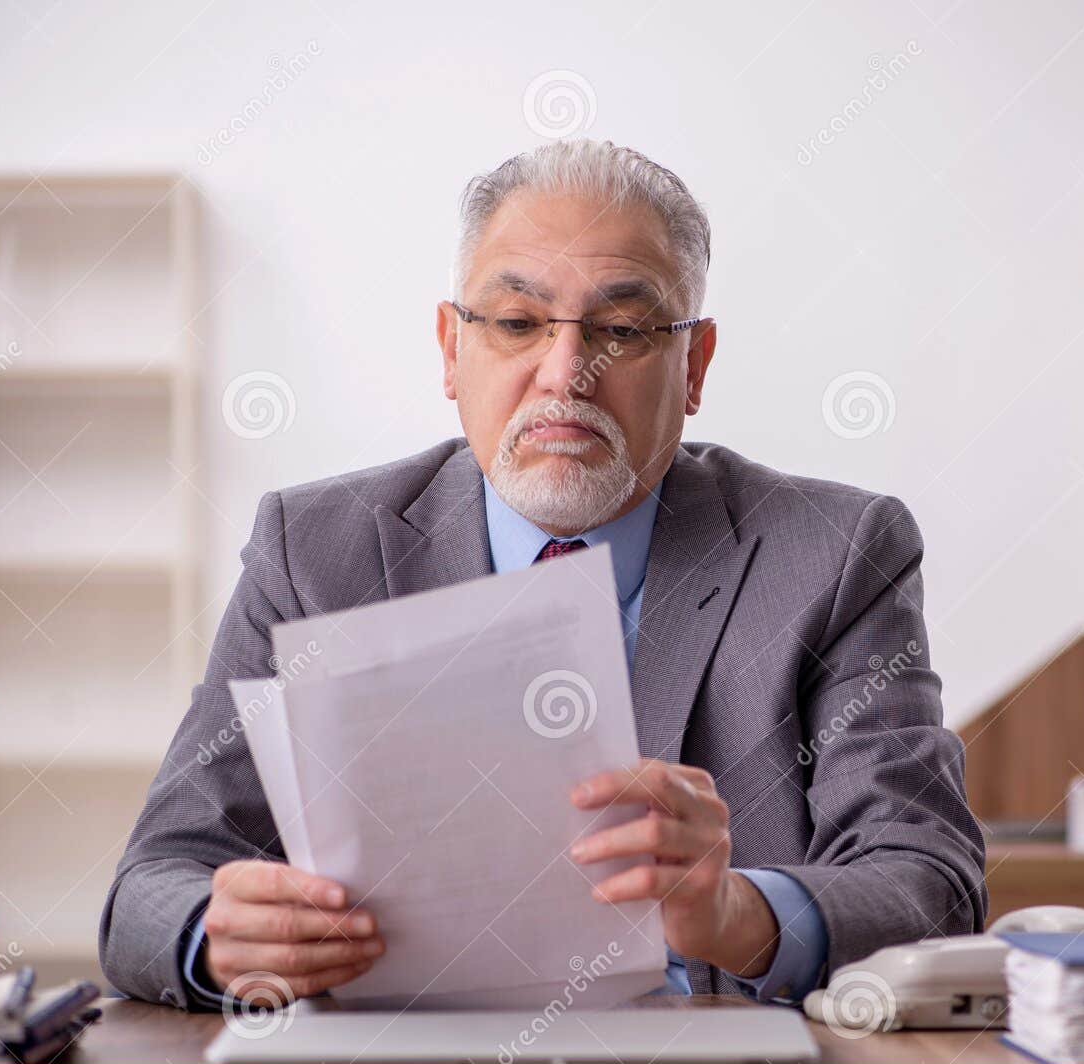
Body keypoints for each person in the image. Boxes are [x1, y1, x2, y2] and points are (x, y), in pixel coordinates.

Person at [99, 138, 986, 1010]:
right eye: (519, 323)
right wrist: (212, 939)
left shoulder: (835, 553)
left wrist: (736, 914)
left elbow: (928, 881)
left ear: (695, 366)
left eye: (625, 330)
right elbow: (152, 884)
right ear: (451, 349)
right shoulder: (314, 551)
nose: (567, 374)